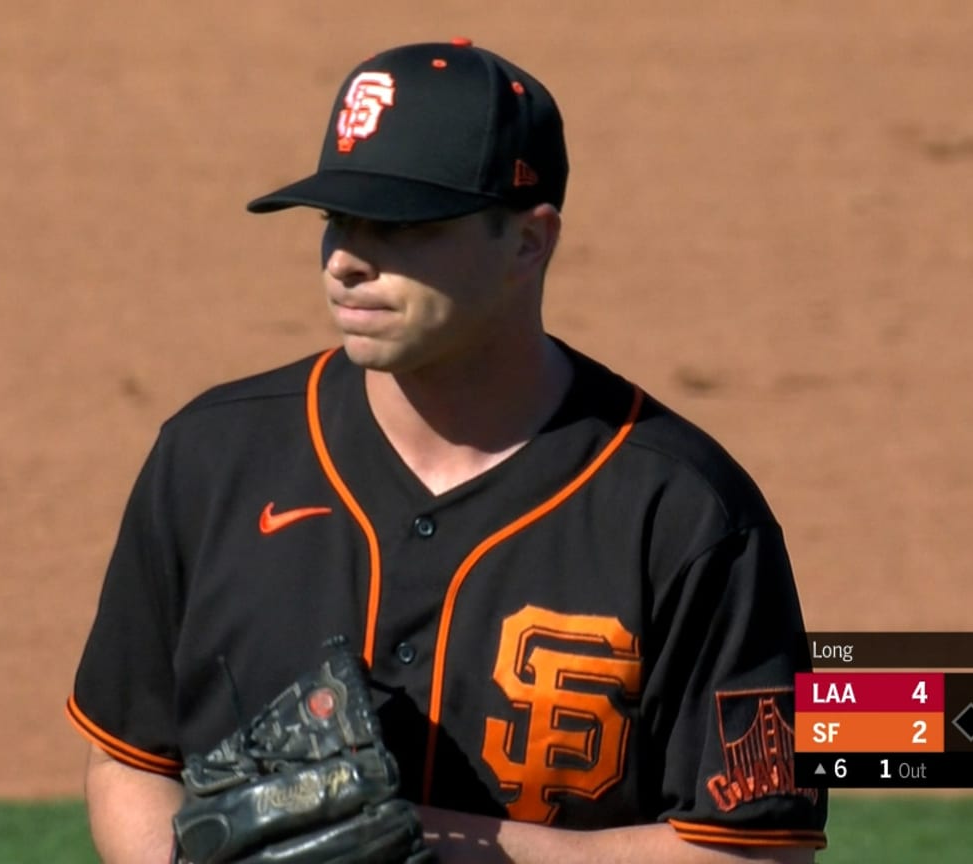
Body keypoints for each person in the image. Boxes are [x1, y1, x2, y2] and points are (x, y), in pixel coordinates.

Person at [67, 38, 829, 863]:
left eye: (399, 227)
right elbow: (131, 758)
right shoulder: (210, 457)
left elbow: (758, 849)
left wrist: (437, 845)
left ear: (530, 242)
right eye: (336, 220)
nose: (348, 262)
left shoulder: (686, 513)